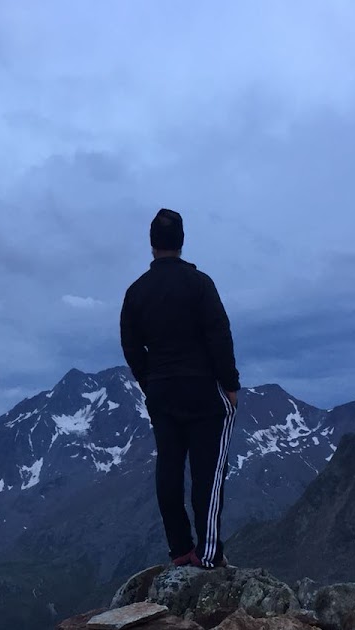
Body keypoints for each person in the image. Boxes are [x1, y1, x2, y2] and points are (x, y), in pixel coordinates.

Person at [119, 207, 241, 569]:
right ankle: (207, 556)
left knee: (169, 468)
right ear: (182, 242)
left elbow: (130, 345)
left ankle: (179, 550)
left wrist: (148, 380)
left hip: (162, 391)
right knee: (209, 473)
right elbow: (219, 335)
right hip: (203, 390)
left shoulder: (136, 291)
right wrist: (230, 385)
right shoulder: (200, 284)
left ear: (152, 244)